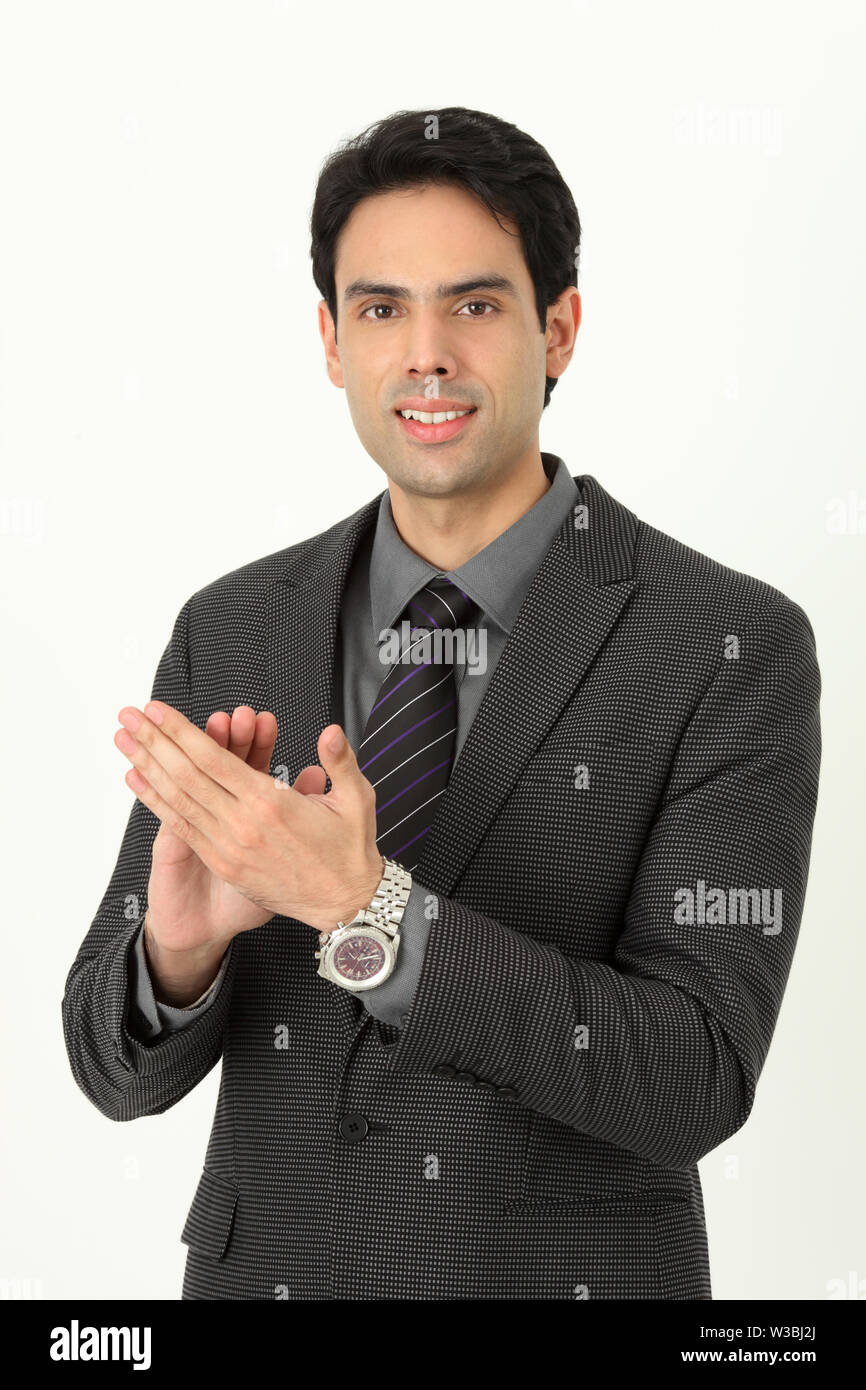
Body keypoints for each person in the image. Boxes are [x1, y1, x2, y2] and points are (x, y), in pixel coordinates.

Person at [62, 106, 821, 1300]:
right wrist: (180, 951)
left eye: (473, 305)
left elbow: (694, 1076)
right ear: (328, 340)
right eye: (379, 308)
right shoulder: (233, 624)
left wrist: (366, 910)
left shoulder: (724, 645)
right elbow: (114, 1073)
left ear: (557, 328)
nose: (425, 354)